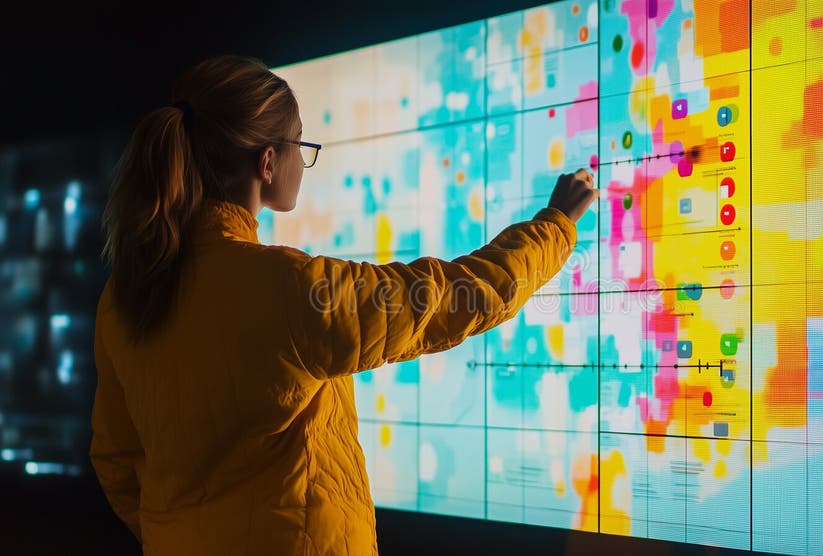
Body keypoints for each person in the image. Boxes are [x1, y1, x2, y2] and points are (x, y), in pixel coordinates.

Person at [91, 55, 597, 555]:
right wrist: (555, 225)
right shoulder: (288, 289)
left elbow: (116, 461)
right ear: (267, 162)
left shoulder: (123, 298)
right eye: (300, 145)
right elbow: (451, 297)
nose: (303, 161)